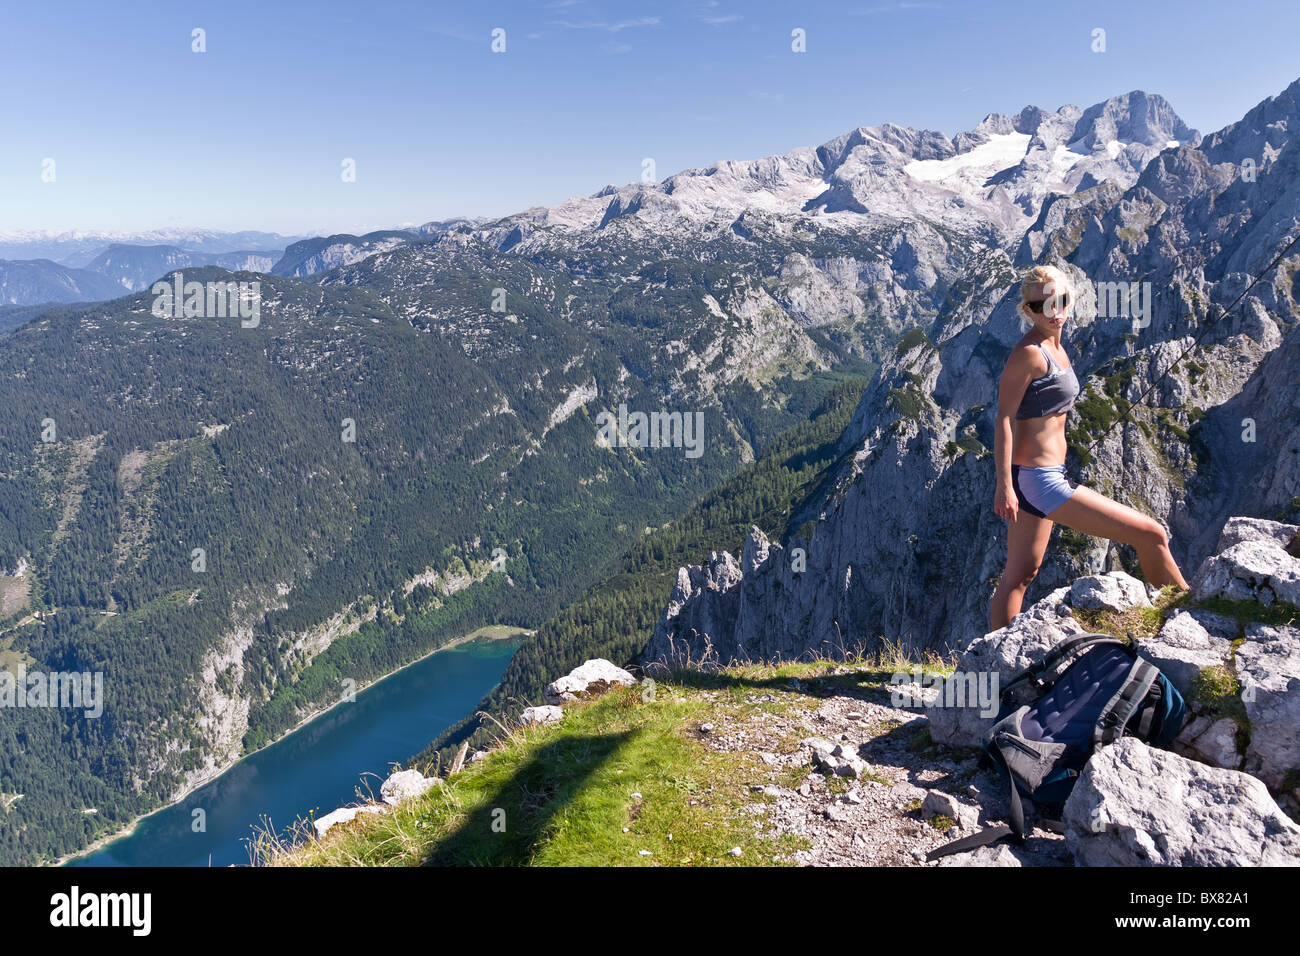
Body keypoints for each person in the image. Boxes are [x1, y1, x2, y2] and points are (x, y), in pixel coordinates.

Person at [989, 264, 1190, 631]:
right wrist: (1004, 486)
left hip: (1041, 477)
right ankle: (1189, 619)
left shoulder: (1057, 348)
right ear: (1028, 311)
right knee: (1151, 535)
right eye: (1043, 306)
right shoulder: (1030, 353)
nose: (1055, 312)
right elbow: (1003, 418)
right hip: (1038, 481)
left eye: (1061, 301)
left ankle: (1001, 667)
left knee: (1020, 575)